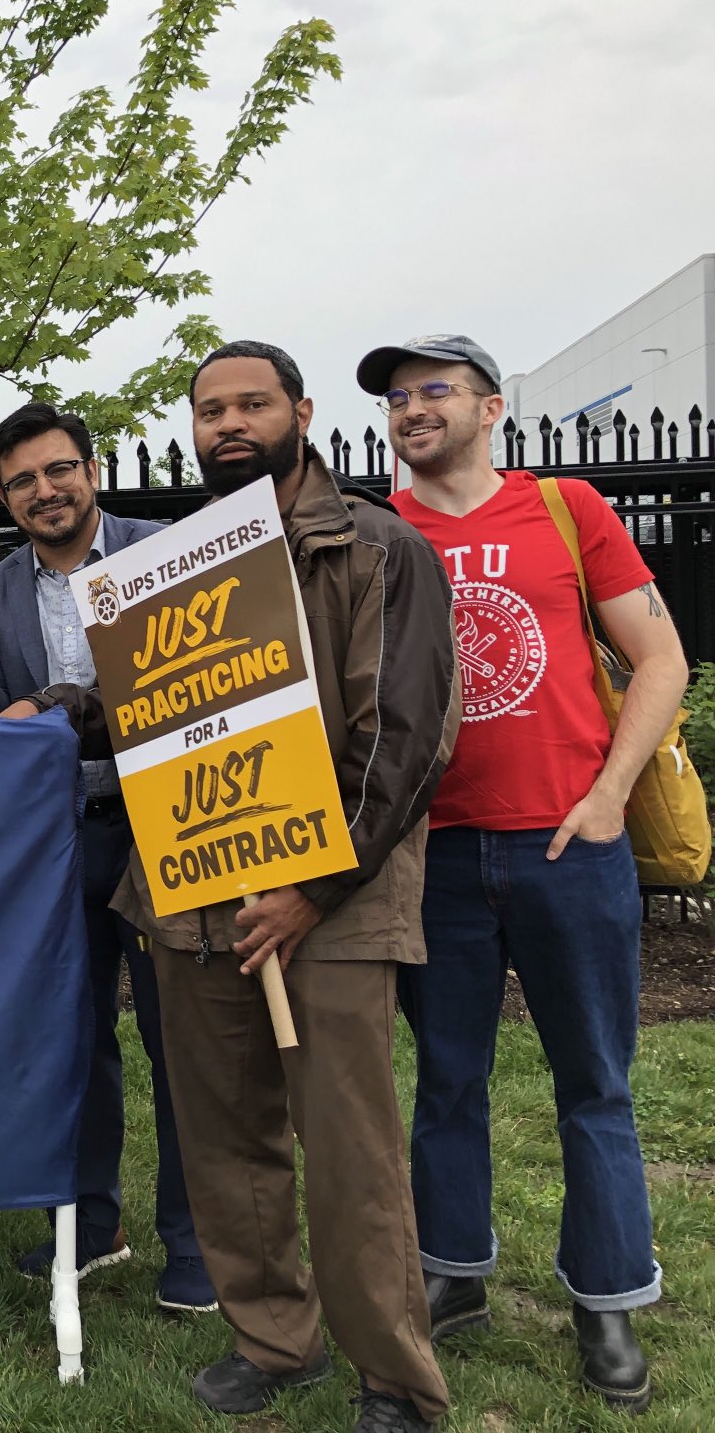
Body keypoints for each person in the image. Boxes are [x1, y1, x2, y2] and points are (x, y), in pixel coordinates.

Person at [11, 341, 458, 1431]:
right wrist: (61, 706)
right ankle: (274, 1339)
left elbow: (403, 739)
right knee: (222, 1136)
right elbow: (152, 699)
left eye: (252, 404)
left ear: (299, 412)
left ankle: (397, 1378)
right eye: (210, 410)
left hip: (331, 907)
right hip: (190, 894)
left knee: (348, 1148)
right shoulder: (185, 558)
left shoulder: (376, 547)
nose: (229, 425)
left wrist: (315, 887)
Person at [369, 334, 679, 1414]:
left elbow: (662, 659)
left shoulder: (565, 508)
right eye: (399, 398)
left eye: (434, 390)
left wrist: (606, 798)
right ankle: (453, 1269)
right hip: (434, 853)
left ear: (491, 407)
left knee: (594, 1082)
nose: (413, 409)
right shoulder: (378, 533)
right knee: (445, 1081)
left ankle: (608, 1295)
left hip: (568, 846)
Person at [0, 401, 210, 1313]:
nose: (43, 492)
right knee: (75, 1040)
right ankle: (92, 1228)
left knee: (184, 1044)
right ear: (5, 499)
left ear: (90, 470)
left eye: (58, 471)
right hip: (60, 840)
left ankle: (197, 1249)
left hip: (169, 829)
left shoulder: (164, 553)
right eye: (21, 482)